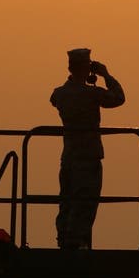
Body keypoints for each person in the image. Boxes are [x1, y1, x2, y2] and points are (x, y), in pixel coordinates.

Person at [50, 48, 125, 250]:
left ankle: (64, 238)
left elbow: (54, 99)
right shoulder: (92, 94)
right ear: (85, 67)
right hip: (88, 156)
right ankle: (74, 242)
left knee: (67, 200)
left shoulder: (60, 94)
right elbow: (118, 98)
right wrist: (106, 75)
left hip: (68, 157)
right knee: (86, 200)